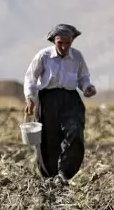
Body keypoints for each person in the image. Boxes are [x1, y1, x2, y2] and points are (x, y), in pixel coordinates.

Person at [23, 23, 97, 184]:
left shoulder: (77, 57)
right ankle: (50, 177)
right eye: (60, 43)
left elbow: (83, 78)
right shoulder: (43, 56)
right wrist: (30, 98)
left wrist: (87, 88)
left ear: (72, 41)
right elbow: (31, 78)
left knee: (75, 132)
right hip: (47, 100)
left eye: (67, 43)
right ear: (54, 41)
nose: (64, 46)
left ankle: (65, 173)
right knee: (48, 139)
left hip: (70, 99)